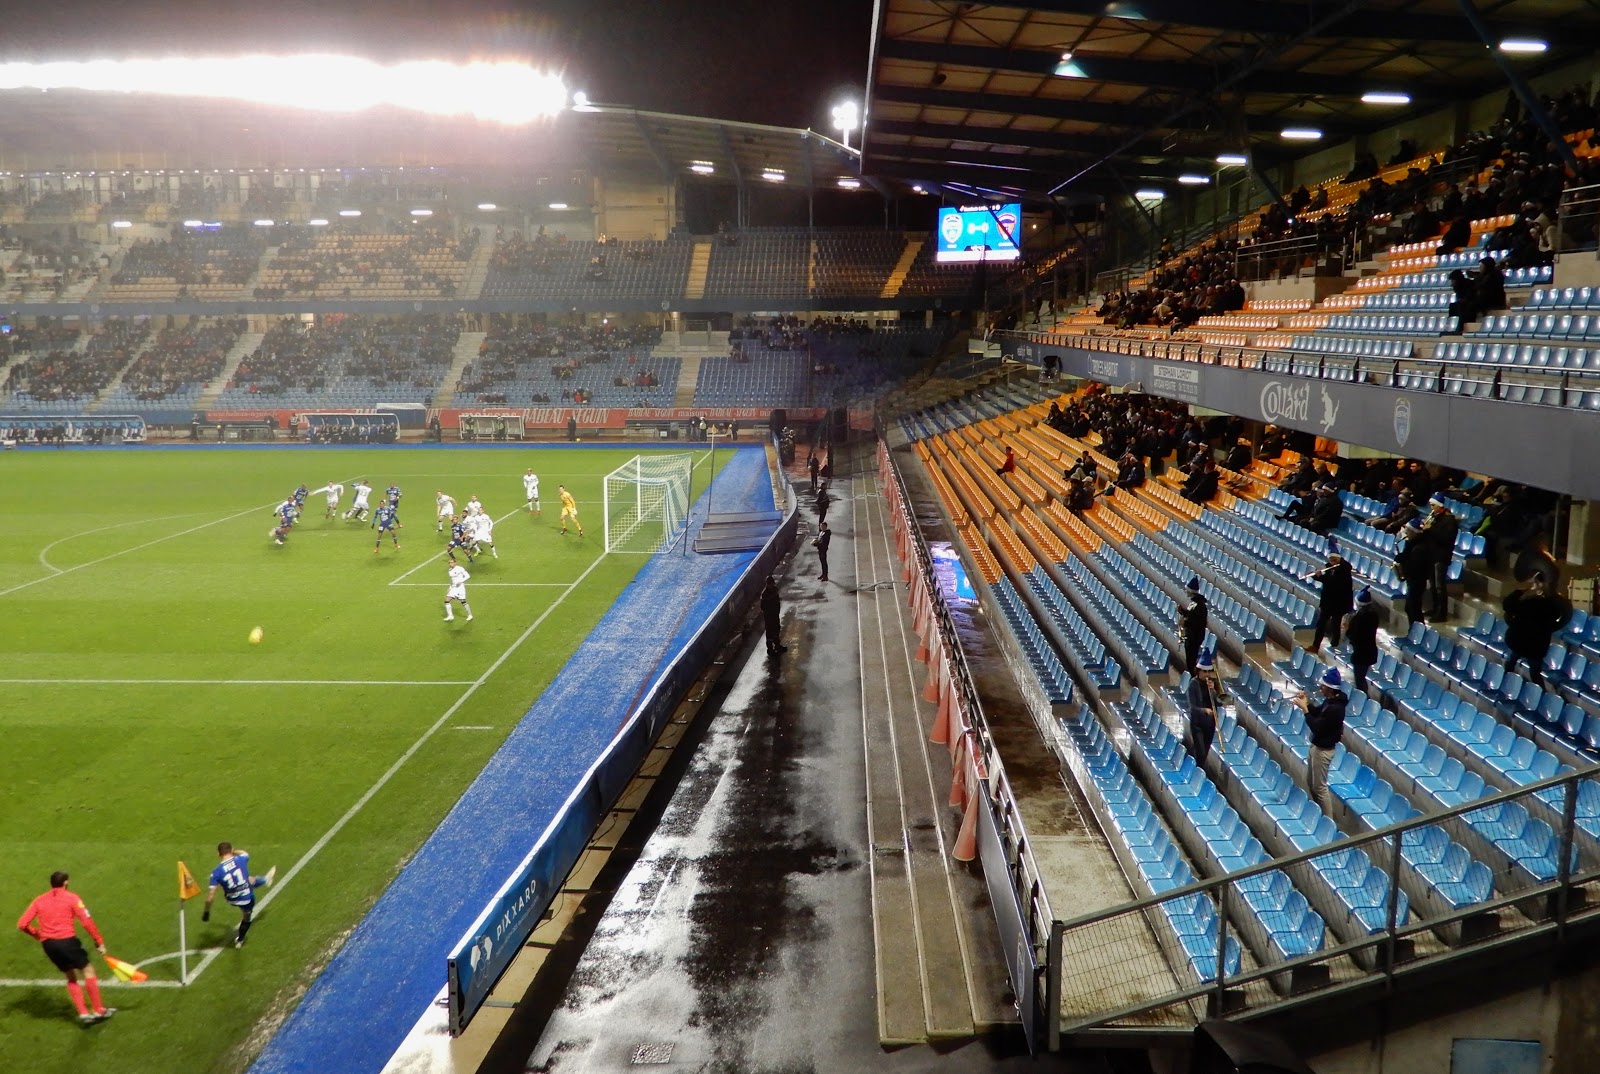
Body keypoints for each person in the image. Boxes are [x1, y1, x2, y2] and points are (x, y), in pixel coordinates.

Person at [15, 871, 115, 1024]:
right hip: (67, 941)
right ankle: (98, 1010)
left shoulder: (39, 900)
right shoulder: (72, 898)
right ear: (66, 882)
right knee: (88, 970)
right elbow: (86, 921)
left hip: (49, 944)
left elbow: (22, 924)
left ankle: (83, 1014)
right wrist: (98, 940)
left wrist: (38, 935)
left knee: (70, 976)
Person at [202, 843, 276, 948]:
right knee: (247, 917)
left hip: (232, 899)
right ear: (231, 850)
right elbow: (245, 853)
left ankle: (265, 880)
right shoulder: (240, 859)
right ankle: (240, 940)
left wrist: (206, 912)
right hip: (247, 898)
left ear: (218, 854)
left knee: (249, 879)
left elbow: (210, 897)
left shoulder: (216, 872)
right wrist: (234, 851)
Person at [1503, 576, 1572, 687]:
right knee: (1534, 671)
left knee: (1512, 661)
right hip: (1536, 645)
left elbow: (1507, 606)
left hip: (1519, 640)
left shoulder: (1527, 602)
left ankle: (1505, 683)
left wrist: (1519, 592)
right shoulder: (1552, 605)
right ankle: (1541, 691)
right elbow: (1560, 618)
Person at [1295, 668, 1347, 813]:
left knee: (1320, 788)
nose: (1320, 688)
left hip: (1323, 751)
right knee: (1311, 783)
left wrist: (1305, 710)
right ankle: (1320, 814)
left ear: (1330, 688)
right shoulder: (1331, 701)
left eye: (1323, 686)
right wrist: (1306, 704)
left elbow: (1317, 727)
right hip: (1316, 746)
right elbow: (1318, 713)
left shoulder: (1336, 708)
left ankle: (1328, 819)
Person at [1306, 543, 1354, 653]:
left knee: (1335, 625)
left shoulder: (1344, 570)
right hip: (1327, 602)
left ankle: (1334, 647)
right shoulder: (1330, 568)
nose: (1332, 562)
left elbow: (1334, 584)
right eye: (1331, 560)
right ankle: (1315, 646)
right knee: (1321, 624)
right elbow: (1326, 580)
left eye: (1334, 560)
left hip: (1339, 603)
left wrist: (1320, 576)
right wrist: (1316, 576)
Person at [1421, 497, 1459, 620]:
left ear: (1440, 505)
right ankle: (1435, 608)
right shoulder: (1435, 517)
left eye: (1433, 505)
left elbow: (1445, 538)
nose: (1431, 508)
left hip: (1441, 556)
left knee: (1439, 586)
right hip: (1431, 554)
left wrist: (1430, 529)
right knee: (1433, 584)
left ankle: (1441, 613)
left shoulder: (1449, 520)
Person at [1185, 649, 1221, 767]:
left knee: (1204, 753)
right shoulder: (1193, 684)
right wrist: (1204, 710)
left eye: (1208, 672)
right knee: (1200, 753)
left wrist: (1213, 690)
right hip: (1197, 724)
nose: (1207, 674)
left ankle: (1199, 769)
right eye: (1204, 671)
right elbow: (1192, 708)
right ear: (1199, 671)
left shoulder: (1213, 683)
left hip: (1210, 724)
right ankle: (1197, 770)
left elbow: (1220, 702)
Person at [1395, 524, 1431, 628]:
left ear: (1414, 532)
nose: (1406, 533)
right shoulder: (1412, 544)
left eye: (1408, 531)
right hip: (1412, 580)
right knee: (1411, 607)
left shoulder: (1420, 548)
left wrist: (1404, 566)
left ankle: (1418, 630)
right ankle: (1415, 629)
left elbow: (1415, 567)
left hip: (1417, 581)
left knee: (1413, 608)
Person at [1346, 587, 1380, 693]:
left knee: (1359, 680)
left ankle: (1364, 698)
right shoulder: (1373, 615)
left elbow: (1353, 635)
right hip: (1369, 651)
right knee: (1361, 678)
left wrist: (1348, 626)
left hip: (1361, 653)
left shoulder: (1359, 618)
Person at [1180, 576, 1208, 674]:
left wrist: (1186, 622)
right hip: (1191, 635)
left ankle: (1194, 677)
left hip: (1194, 637)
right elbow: (1191, 616)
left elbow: (1198, 622)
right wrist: (1182, 612)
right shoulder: (1194, 603)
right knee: (1189, 660)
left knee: (1191, 661)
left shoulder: (1200, 605)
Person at [760, 577, 786, 655]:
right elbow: (763, 607)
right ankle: (770, 649)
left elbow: (777, 601)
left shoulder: (775, 590)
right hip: (769, 617)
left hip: (775, 614)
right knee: (770, 632)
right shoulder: (765, 594)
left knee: (776, 630)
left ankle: (777, 645)